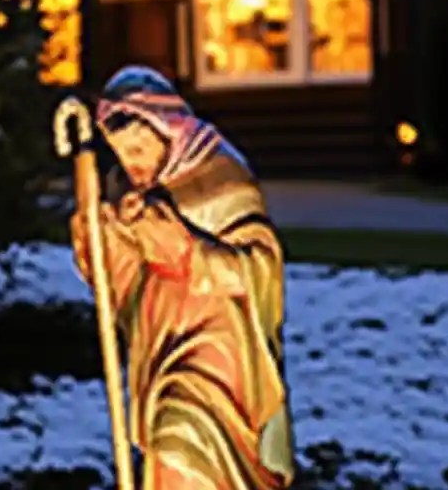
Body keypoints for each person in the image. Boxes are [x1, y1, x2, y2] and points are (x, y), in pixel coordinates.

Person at [71, 65, 295, 490]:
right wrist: (103, 243)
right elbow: (126, 291)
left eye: (139, 149)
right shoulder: (134, 194)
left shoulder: (221, 179)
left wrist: (187, 252)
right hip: (164, 350)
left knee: (181, 443)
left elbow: (261, 273)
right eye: (121, 153)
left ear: (167, 128)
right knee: (164, 448)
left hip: (219, 358)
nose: (131, 163)